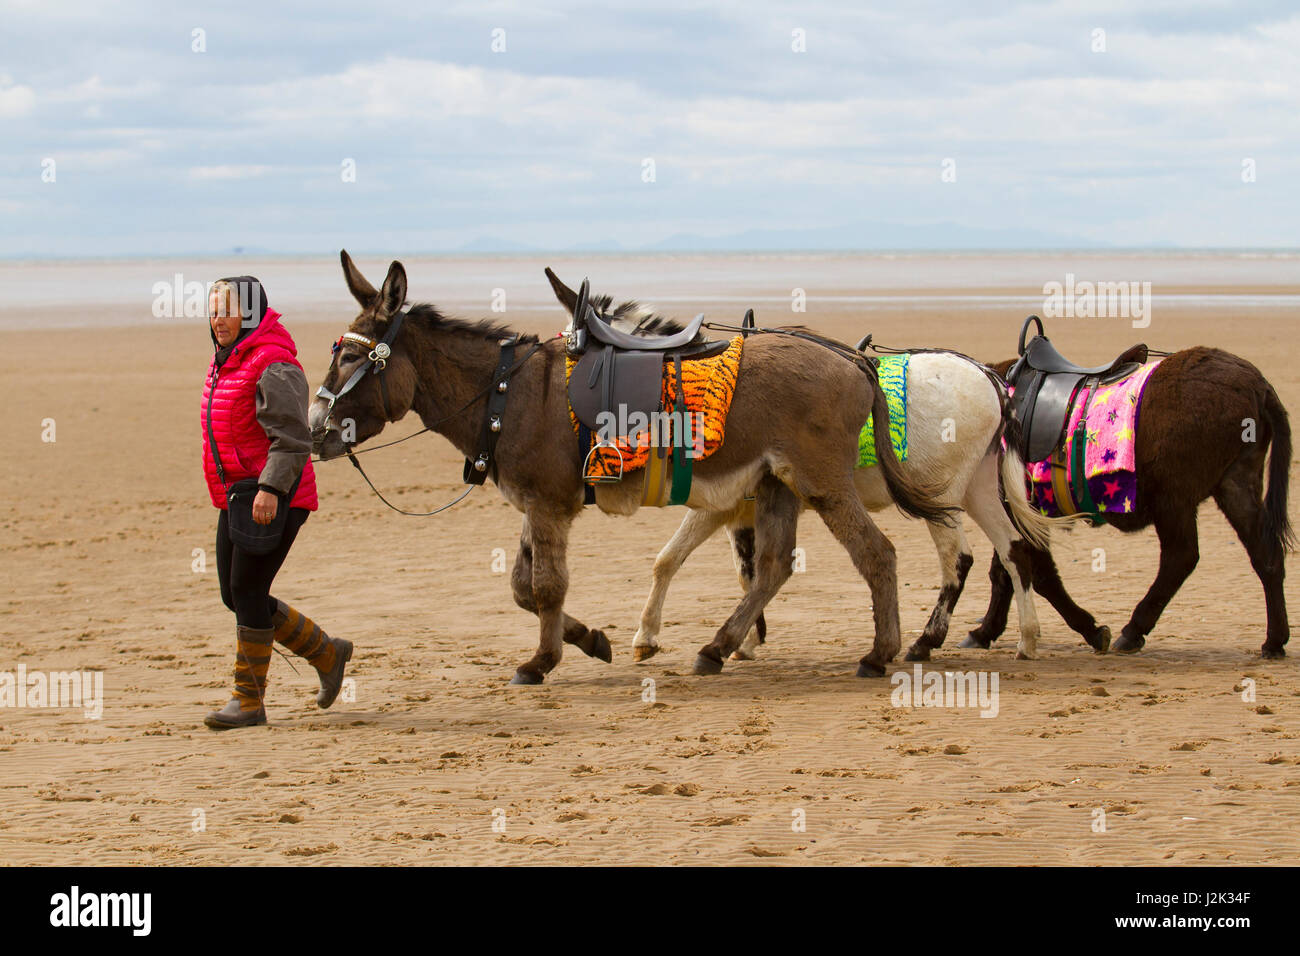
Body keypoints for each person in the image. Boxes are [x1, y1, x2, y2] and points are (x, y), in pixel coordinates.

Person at [200, 276, 351, 729]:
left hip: (275, 495)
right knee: (235, 593)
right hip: (239, 496)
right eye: (213, 310)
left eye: (228, 310)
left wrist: (270, 490)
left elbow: (292, 440)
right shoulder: (229, 359)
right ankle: (327, 652)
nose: (218, 319)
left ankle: (248, 703)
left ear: (248, 313)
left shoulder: (273, 364)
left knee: (246, 590)